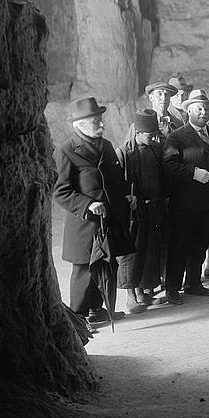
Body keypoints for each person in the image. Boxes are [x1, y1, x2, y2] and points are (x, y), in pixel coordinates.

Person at [53, 97, 135, 324]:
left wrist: (126, 194)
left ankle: (97, 310)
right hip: (85, 224)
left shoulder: (106, 146)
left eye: (101, 120)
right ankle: (78, 319)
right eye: (96, 121)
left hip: (108, 220)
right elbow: (60, 192)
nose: (102, 125)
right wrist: (88, 204)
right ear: (79, 124)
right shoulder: (67, 151)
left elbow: (116, 180)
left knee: (107, 265)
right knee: (84, 271)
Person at [161, 89, 209, 304]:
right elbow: (168, 165)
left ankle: (193, 283)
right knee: (180, 244)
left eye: (206, 108)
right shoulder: (177, 136)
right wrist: (193, 173)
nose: (203, 112)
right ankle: (173, 288)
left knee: (200, 243)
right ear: (188, 111)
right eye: (198, 108)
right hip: (185, 203)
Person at [115, 111, 167, 313]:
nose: (154, 138)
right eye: (149, 134)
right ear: (137, 132)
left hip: (153, 208)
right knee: (132, 255)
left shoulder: (154, 149)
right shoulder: (123, 153)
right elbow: (116, 183)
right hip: (134, 212)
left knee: (149, 253)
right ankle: (130, 297)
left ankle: (143, 293)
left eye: (155, 134)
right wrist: (127, 199)